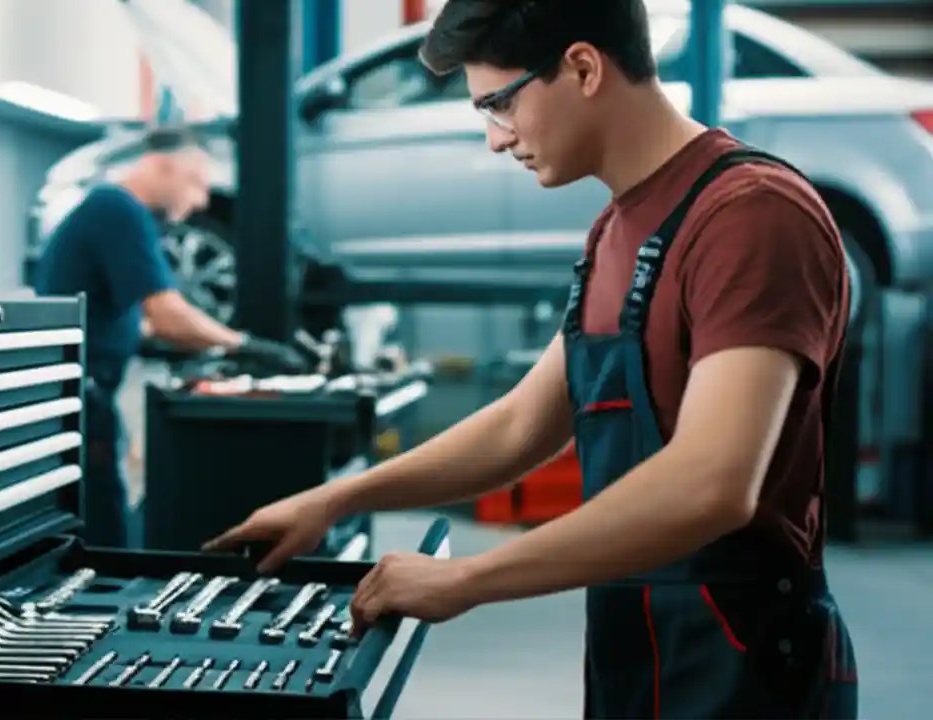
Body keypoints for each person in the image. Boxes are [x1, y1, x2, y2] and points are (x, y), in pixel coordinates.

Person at [203, 1, 859, 717]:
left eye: (499, 104)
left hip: (747, 669)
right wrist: (336, 499)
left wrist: (471, 578)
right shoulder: (617, 230)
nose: (494, 139)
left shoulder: (752, 218)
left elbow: (712, 481)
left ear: (582, 67)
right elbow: (523, 425)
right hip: (638, 654)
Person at [34, 125, 307, 549]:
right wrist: (247, 345)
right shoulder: (118, 209)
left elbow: (131, 319)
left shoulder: (110, 208)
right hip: (79, 401)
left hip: (80, 396)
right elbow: (166, 315)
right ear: (161, 165)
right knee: (104, 537)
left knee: (101, 520)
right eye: (196, 182)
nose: (200, 201)